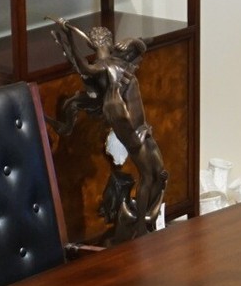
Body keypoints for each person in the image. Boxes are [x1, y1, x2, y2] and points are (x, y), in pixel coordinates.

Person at [49, 18, 168, 241]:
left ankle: (148, 220)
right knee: (148, 177)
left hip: (143, 127)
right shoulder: (101, 68)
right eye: (101, 40)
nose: (106, 41)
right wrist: (68, 37)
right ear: (94, 45)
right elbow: (83, 66)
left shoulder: (121, 60)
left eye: (106, 38)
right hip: (130, 129)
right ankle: (141, 227)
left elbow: (144, 47)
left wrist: (132, 40)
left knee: (160, 174)